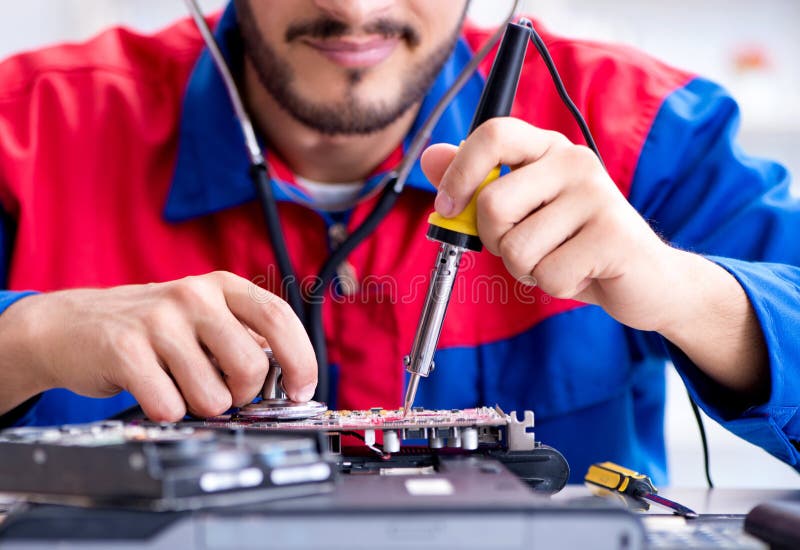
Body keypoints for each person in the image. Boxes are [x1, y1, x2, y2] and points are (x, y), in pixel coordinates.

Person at [0, 0, 798, 484]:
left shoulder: (644, 131)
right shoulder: (26, 129)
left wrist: (680, 289)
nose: (352, 10)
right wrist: (26, 340)